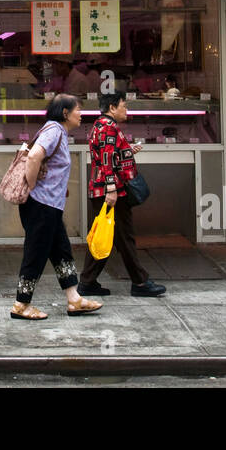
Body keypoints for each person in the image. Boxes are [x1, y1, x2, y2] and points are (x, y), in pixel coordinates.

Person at [9, 94, 102, 320]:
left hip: (50, 204)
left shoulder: (55, 131)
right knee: (36, 252)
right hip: (42, 205)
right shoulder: (54, 131)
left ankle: (74, 299)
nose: (81, 113)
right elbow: (34, 157)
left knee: (61, 251)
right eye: (78, 109)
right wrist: (33, 187)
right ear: (65, 113)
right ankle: (21, 304)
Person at [78, 93, 166, 298]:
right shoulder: (108, 127)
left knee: (106, 235)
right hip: (111, 190)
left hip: (104, 189)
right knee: (123, 238)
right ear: (112, 107)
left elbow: (108, 155)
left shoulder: (100, 125)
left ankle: (87, 282)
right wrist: (111, 189)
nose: (126, 110)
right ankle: (140, 282)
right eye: (124, 106)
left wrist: (127, 151)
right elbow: (107, 160)